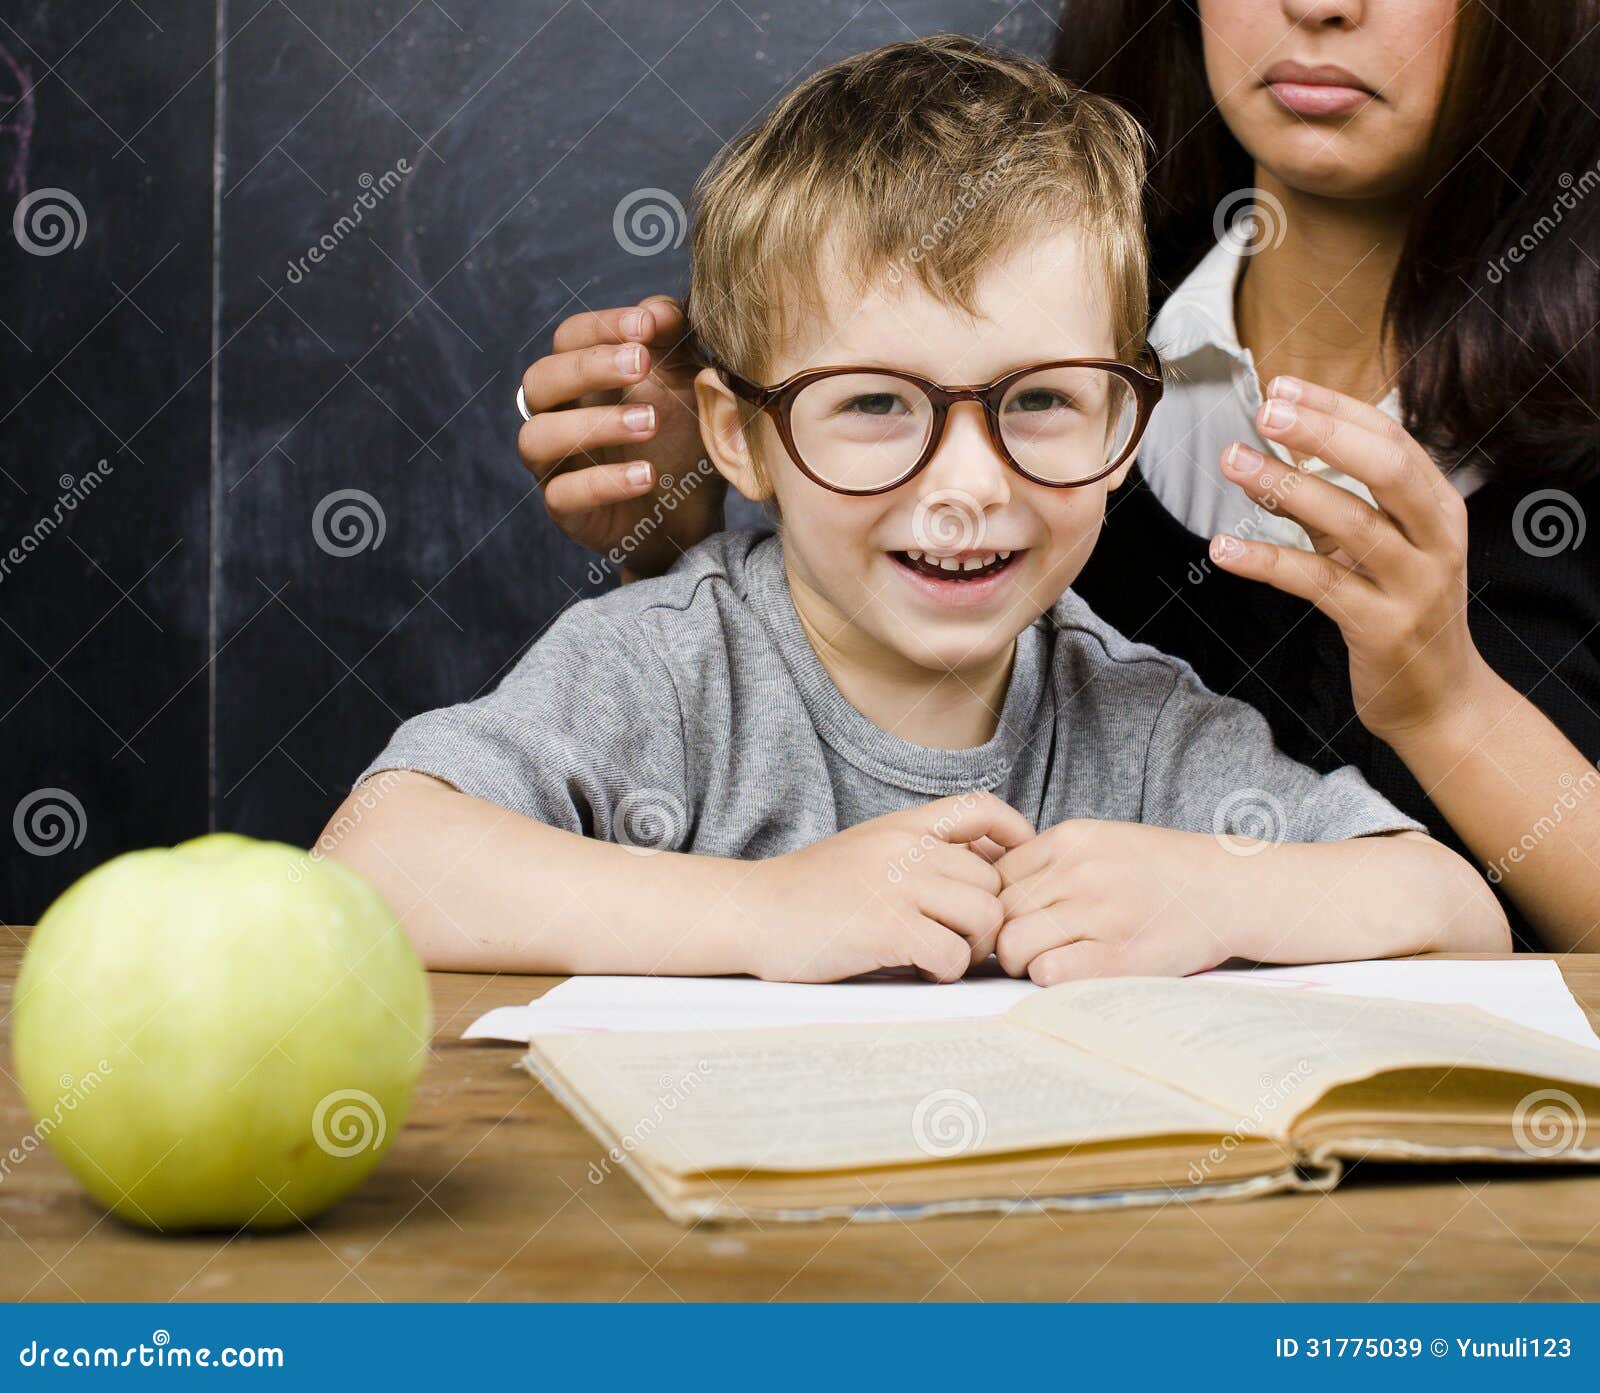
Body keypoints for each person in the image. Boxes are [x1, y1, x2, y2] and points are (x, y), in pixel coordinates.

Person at [324, 37, 1507, 981]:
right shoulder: (668, 672)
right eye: (878, 405)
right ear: (740, 438)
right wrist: (764, 912)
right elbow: (370, 864)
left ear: (1124, 434)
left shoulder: (1143, 727)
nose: (968, 485)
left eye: (1041, 399)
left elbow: (1459, 914)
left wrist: (1228, 892)